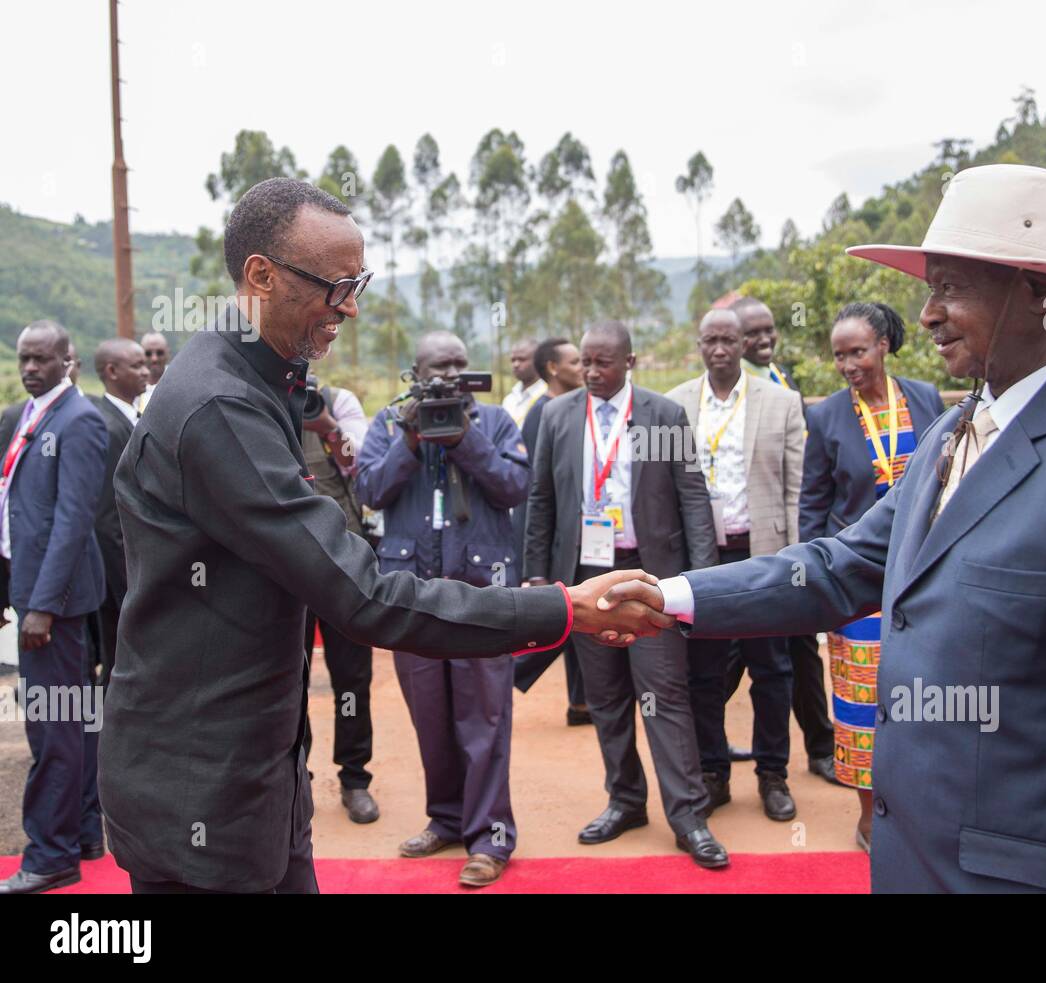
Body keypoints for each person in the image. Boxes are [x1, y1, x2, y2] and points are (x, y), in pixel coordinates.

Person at [604, 164, 1046, 893]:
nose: (929, 314)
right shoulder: (953, 432)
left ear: (1042, 294)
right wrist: (670, 596)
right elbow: (840, 565)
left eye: (950, 286)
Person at [97, 178, 671, 895]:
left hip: (258, 778)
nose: (353, 306)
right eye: (335, 287)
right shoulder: (218, 407)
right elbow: (362, 596)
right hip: (201, 796)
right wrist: (564, 608)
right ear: (260, 275)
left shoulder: (259, 375)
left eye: (357, 282)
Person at [524, 319, 729, 869]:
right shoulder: (557, 415)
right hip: (587, 579)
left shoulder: (665, 415)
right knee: (606, 699)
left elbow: (693, 499)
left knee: (665, 695)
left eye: (603, 363)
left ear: (629, 363)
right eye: (585, 362)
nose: (591, 372)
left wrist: (701, 582)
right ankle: (625, 801)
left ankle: (689, 816)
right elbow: (541, 499)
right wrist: (539, 576)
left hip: (650, 580)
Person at [356, 331, 528, 888]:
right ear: (415, 371)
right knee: (430, 714)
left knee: (485, 718)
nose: (450, 375)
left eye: (459, 364)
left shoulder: (496, 421)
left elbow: (513, 486)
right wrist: (411, 439)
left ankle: (490, 837)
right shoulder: (389, 422)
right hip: (414, 594)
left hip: (483, 593)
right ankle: (447, 820)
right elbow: (370, 490)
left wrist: (465, 440)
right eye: (438, 366)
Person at [800, 302, 946, 849]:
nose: (847, 364)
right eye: (839, 355)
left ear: (884, 344)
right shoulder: (828, 416)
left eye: (858, 351)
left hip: (924, 571)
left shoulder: (927, 398)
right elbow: (814, 505)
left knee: (924, 689)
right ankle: (869, 815)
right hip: (858, 580)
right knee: (862, 700)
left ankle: (920, 804)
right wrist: (812, 587)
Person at [666, 309, 805, 822]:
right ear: (699, 345)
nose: (720, 349)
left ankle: (773, 774)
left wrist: (797, 563)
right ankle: (713, 773)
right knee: (703, 673)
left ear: (745, 343)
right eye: (710, 340)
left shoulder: (783, 403)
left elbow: (795, 493)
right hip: (704, 561)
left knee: (772, 669)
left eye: (729, 339)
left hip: (764, 555)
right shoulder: (676, 404)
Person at [0, 321, 108, 895]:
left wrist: (41, 606)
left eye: (42, 359)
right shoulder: (24, 415)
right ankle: (85, 833)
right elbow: (12, 508)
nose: (30, 369)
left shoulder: (81, 420)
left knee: (53, 728)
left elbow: (73, 521)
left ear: (69, 361)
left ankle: (50, 855)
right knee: (74, 721)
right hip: (35, 592)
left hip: (55, 604)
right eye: (24, 358)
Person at [730, 296, 837, 780]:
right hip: (742, 552)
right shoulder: (729, 394)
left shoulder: (783, 382)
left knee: (800, 654)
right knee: (738, 660)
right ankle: (718, 753)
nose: (765, 340)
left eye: (769, 329)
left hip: (789, 545)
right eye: (752, 334)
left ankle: (819, 748)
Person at [298, 373, 379, 825]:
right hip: (282, 563)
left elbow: (361, 468)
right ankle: (296, 779)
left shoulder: (338, 401)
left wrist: (328, 427)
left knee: (353, 678)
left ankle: (355, 780)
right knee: (288, 676)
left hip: (344, 561)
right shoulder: (261, 398)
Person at [513, 336, 590, 725]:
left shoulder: (579, 408)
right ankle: (509, 670)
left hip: (578, 535)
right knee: (562, 621)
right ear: (553, 369)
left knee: (579, 621)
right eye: (576, 361)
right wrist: (533, 559)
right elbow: (533, 490)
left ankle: (581, 702)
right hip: (554, 539)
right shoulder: (541, 414)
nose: (584, 368)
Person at [88, 338, 151, 687]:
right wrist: (128, 586)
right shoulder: (109, 427)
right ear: (111, 371)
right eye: (137, 365)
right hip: (118, 578)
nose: (146, 371)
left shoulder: (131, 418)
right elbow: (108, 518)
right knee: (118, 669)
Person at [502, 339, 546, 430]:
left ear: (538, 361)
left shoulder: (548, 395)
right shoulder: (509, 400)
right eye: (513, 360)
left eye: (522, 359)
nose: (516, 364)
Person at [137, 332, 170, 413]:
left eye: (159, 353)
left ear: (168, 353)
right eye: (148, 353)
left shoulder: (178, 380)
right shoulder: (132, 384)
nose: (154, 358)